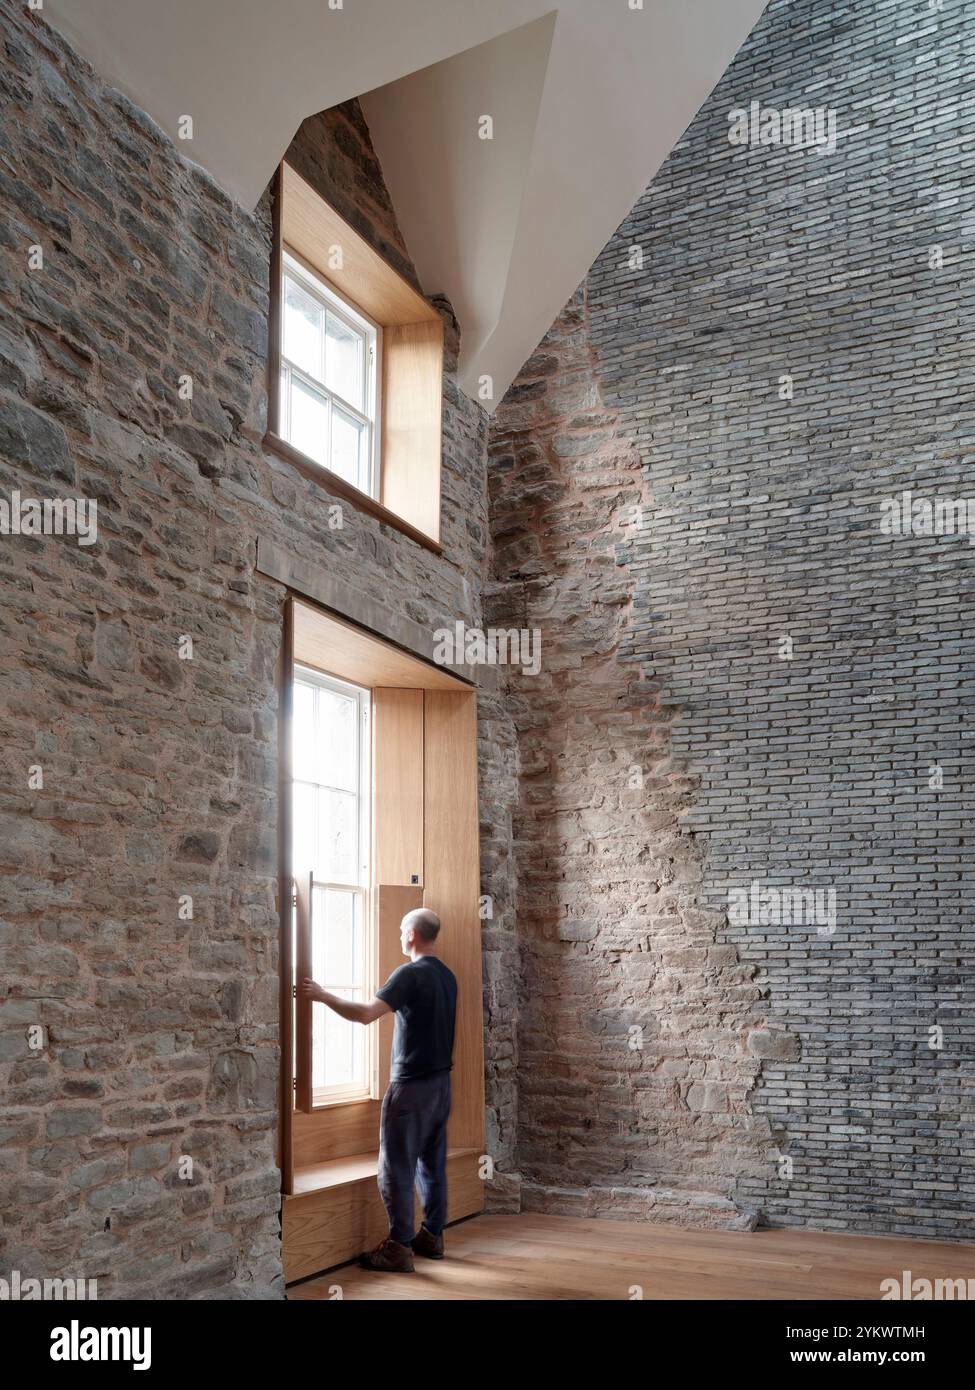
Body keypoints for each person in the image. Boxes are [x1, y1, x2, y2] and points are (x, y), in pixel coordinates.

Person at [300, 907, 458, 1273]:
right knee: (431, 1164)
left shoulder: (410, 973)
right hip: (441, 1086)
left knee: (395, 1166)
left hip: (412, 1087)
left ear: (413, 935)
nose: (400, 934)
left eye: (403, 928)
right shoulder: (446, 976)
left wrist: (322, 995)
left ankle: (399, 1247)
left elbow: (366, 1014)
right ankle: (432, 1235)